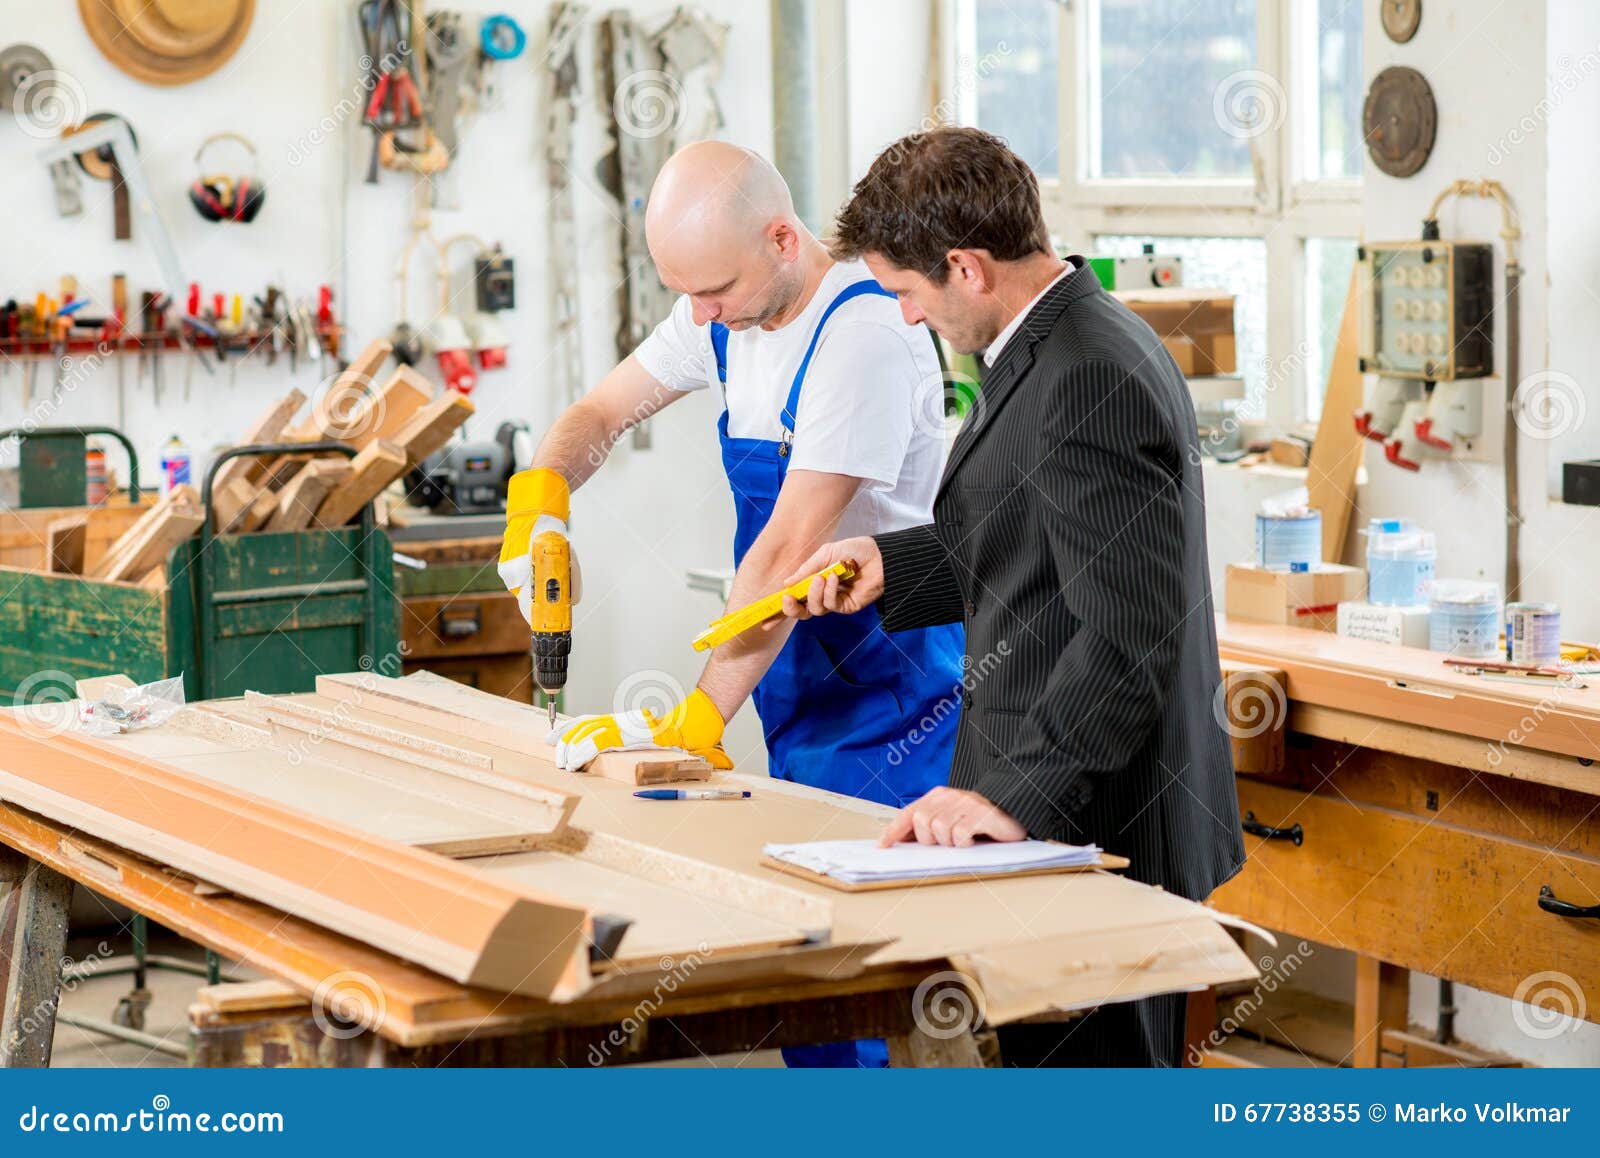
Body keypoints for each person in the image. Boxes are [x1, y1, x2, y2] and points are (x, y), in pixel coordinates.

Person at [773, 126, 1245, 1068]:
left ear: (965, 266)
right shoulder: (1052, 343)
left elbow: (1128, 634)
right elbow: (1039, 548)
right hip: (1060, 805)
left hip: (1095, 821)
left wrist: (1014, 796)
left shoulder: (1086, 374)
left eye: (907, 294)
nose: (906, 319)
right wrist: (893, 564)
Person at [498, 141, 965, 1067]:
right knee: (808, 968)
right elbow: (598, 415)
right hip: (794, 686)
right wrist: (541, 498)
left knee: (874, 980)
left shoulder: (864, 333)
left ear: (783, 239)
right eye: (686, 292)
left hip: (898, 696)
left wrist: (697, 719)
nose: (700, 313)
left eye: (712, 289)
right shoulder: (721, 315)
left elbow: (789, 557)